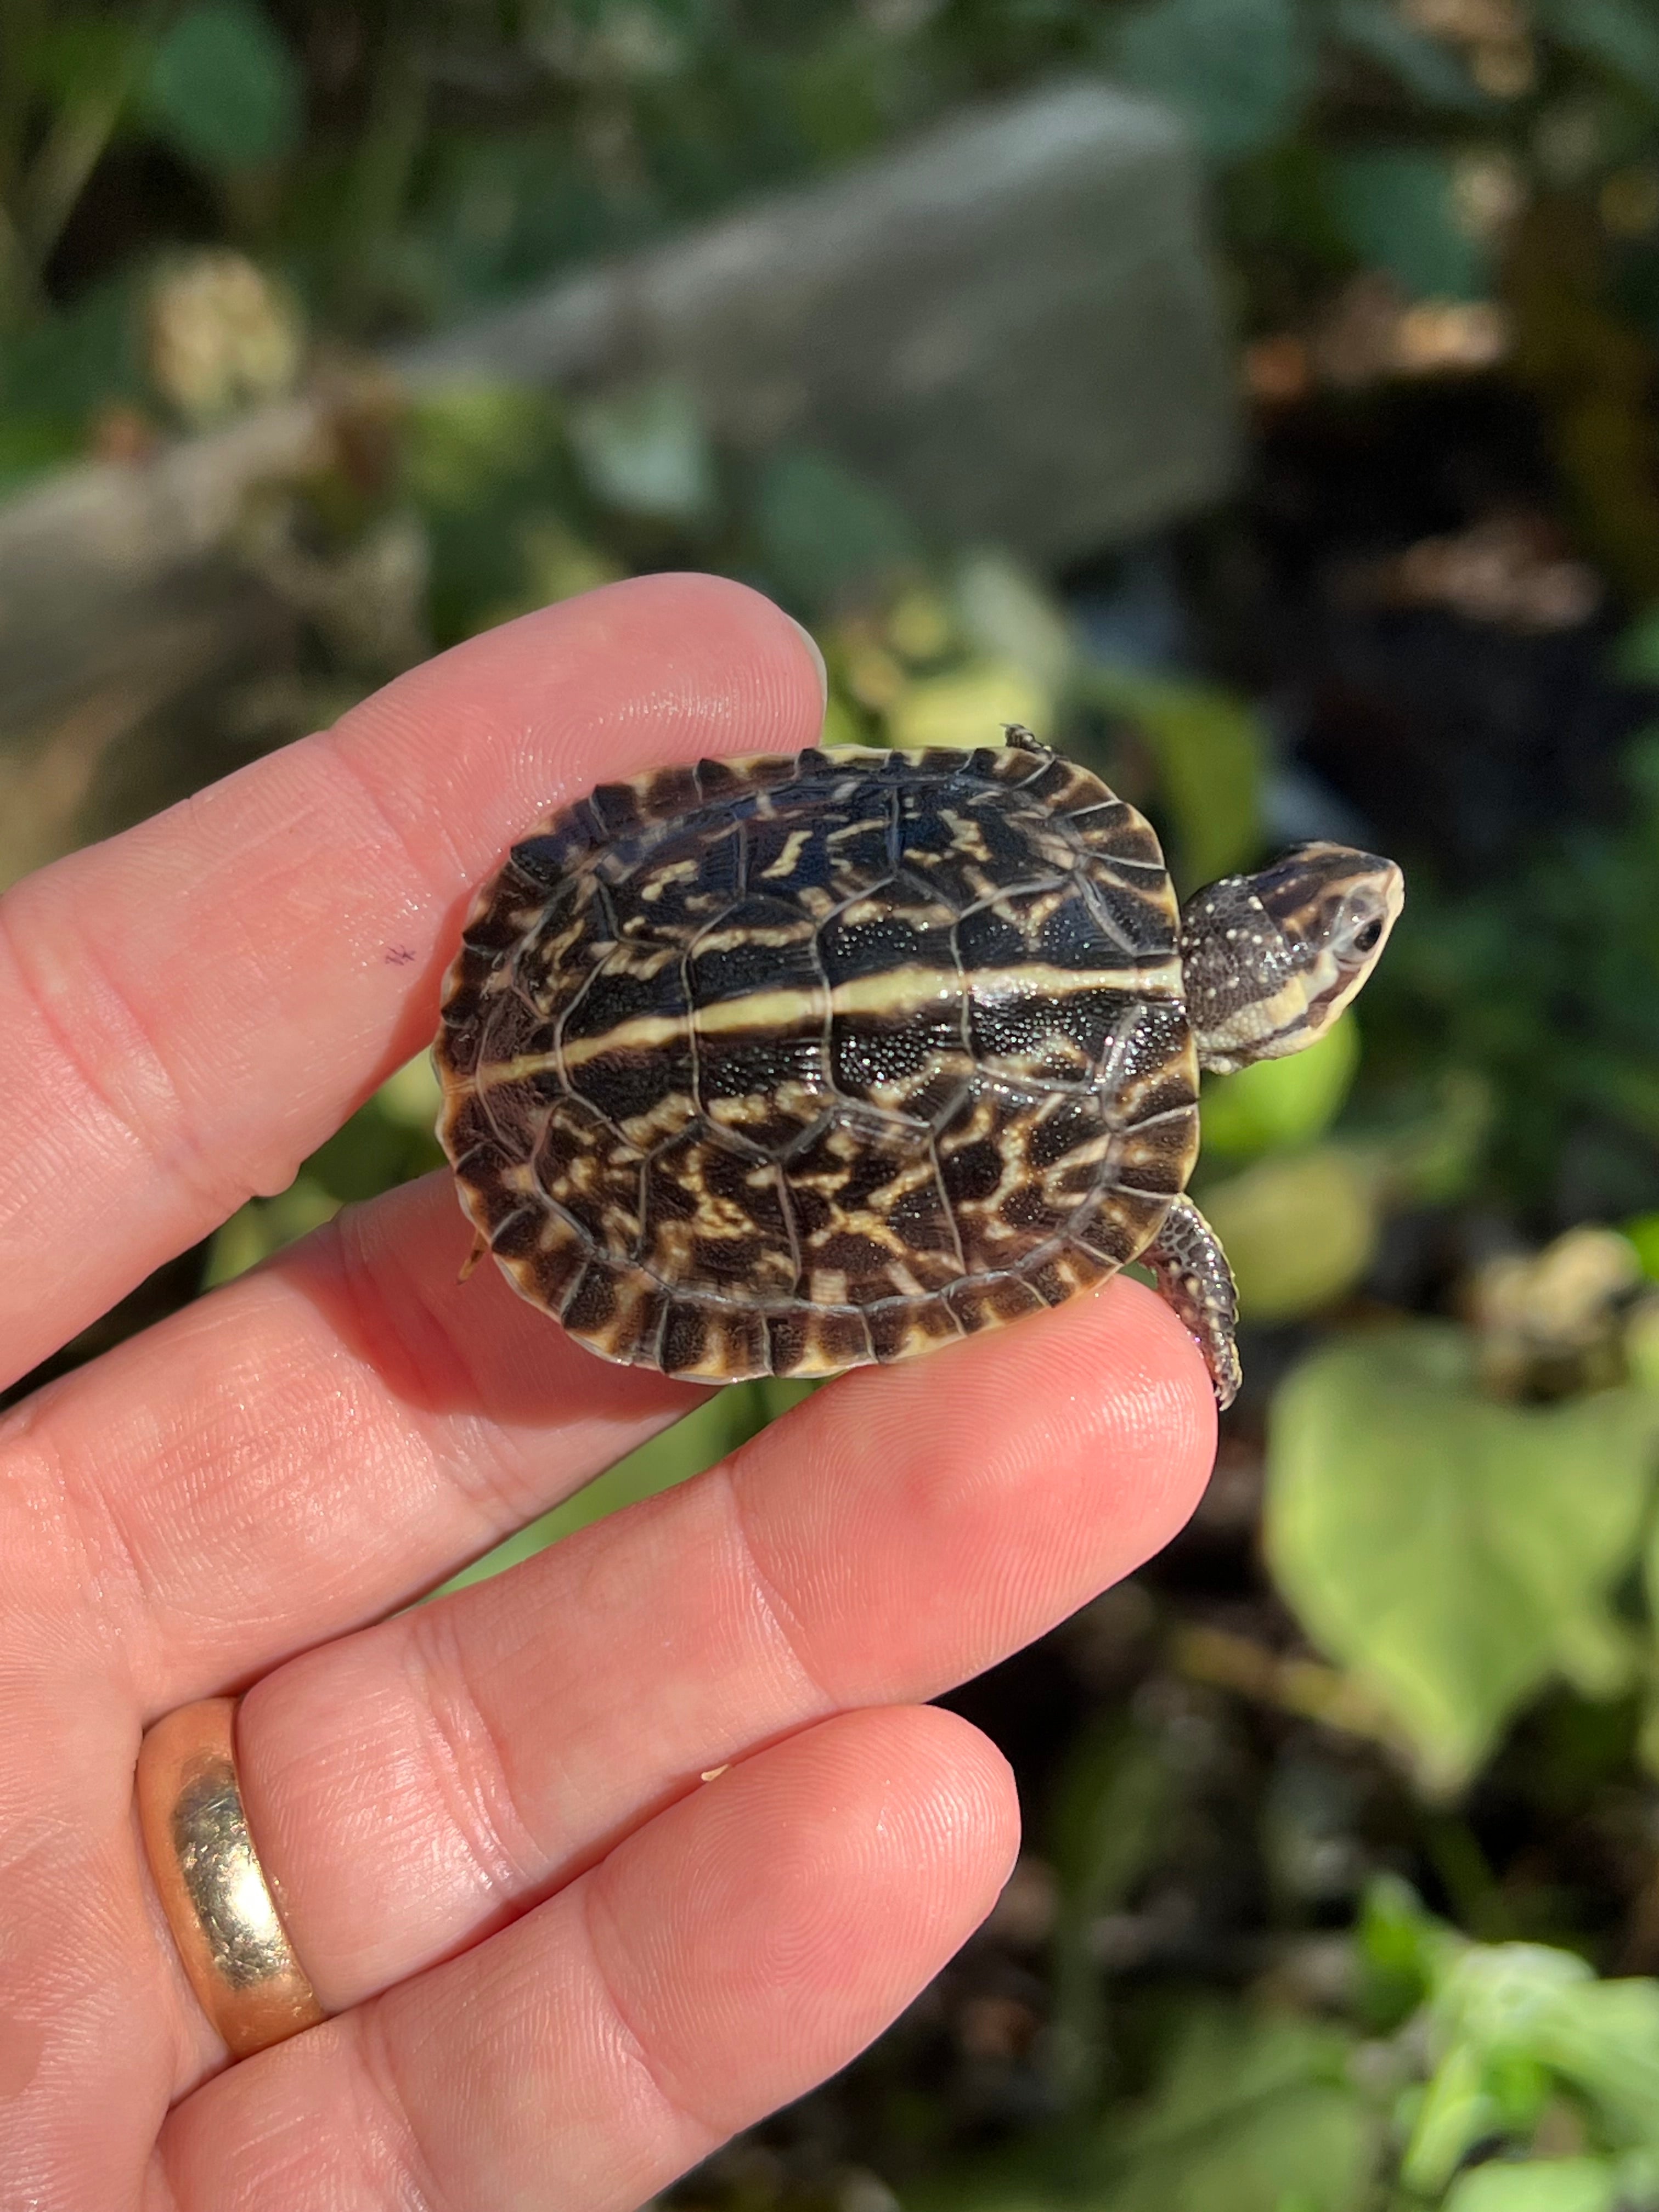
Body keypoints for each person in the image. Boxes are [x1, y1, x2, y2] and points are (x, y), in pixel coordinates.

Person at [0, 574, 1211, 2210]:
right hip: (634, 1102)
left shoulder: (1066, 843)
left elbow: (912, 826)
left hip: (621, 989)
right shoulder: (1115, 1156)